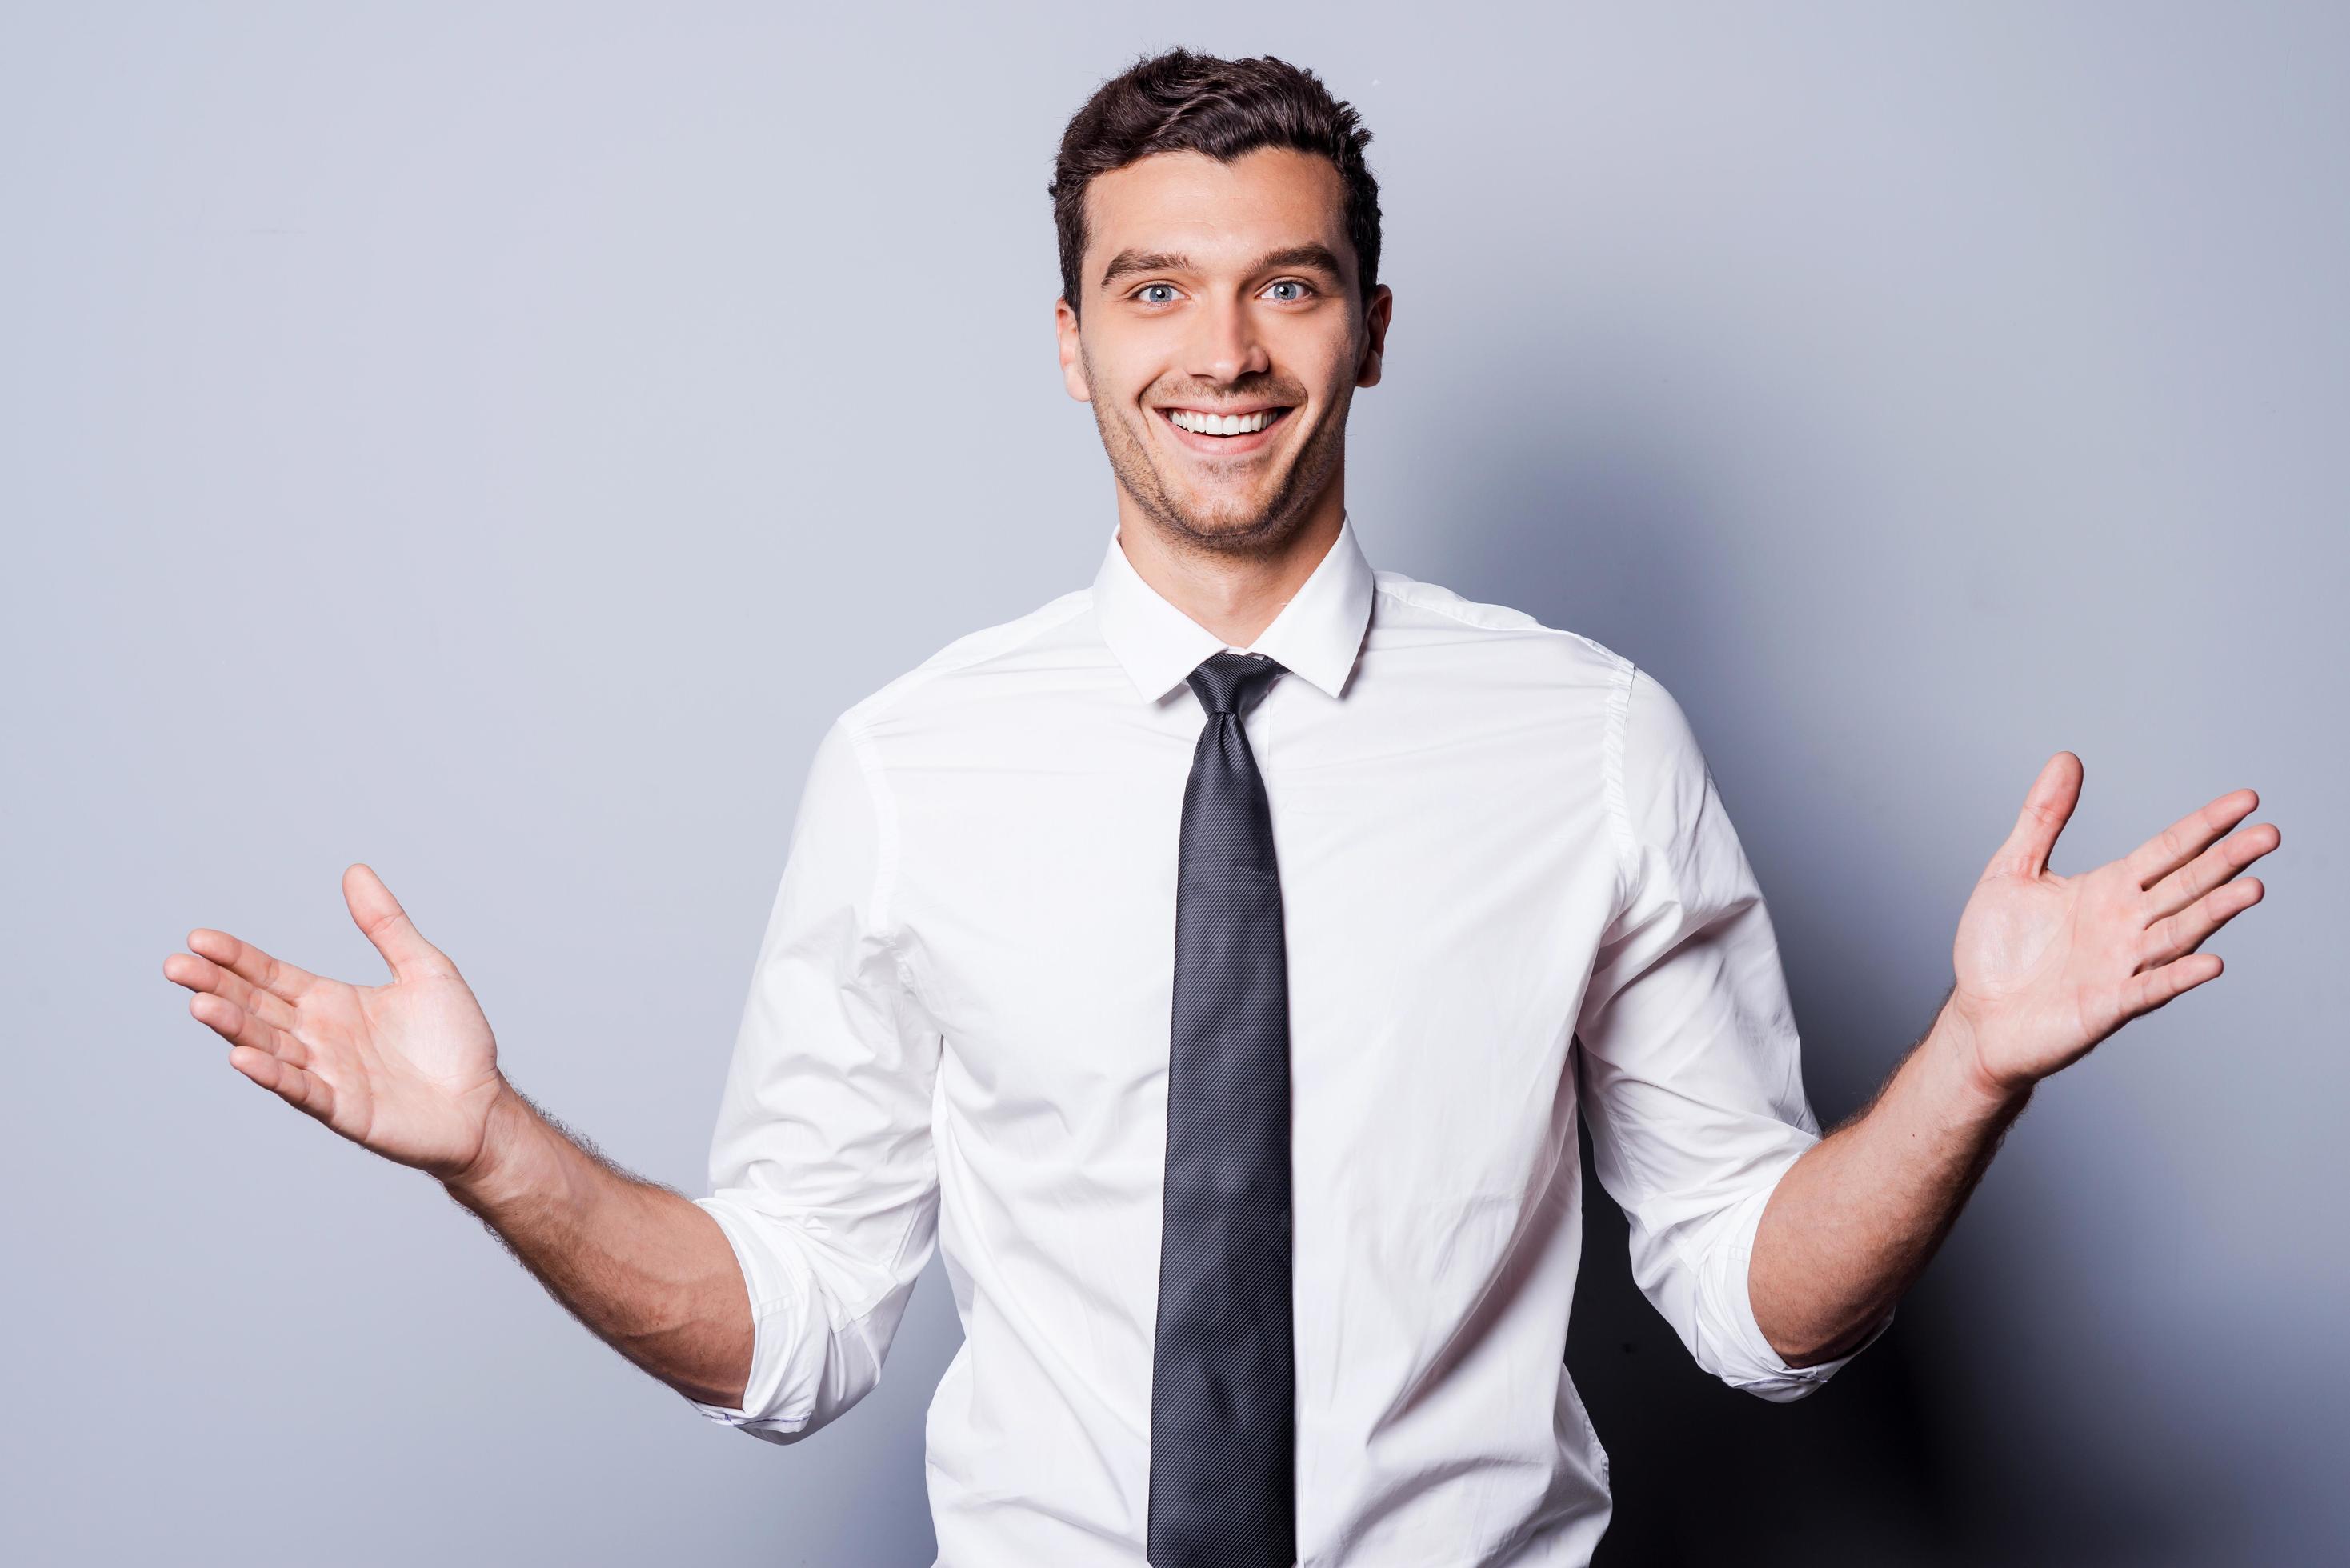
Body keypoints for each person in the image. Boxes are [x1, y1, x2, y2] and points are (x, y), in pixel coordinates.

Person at [162, 46, 2279, 1568]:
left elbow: (1751, 1302)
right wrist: (487, 1152)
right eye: (1153, 288)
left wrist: (1972, 1067)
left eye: (1287, 282)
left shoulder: (1589, 745)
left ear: (1368, 334)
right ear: (1070, 343)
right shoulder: (913, 771)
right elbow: (792, 1329)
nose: (1225, 350)